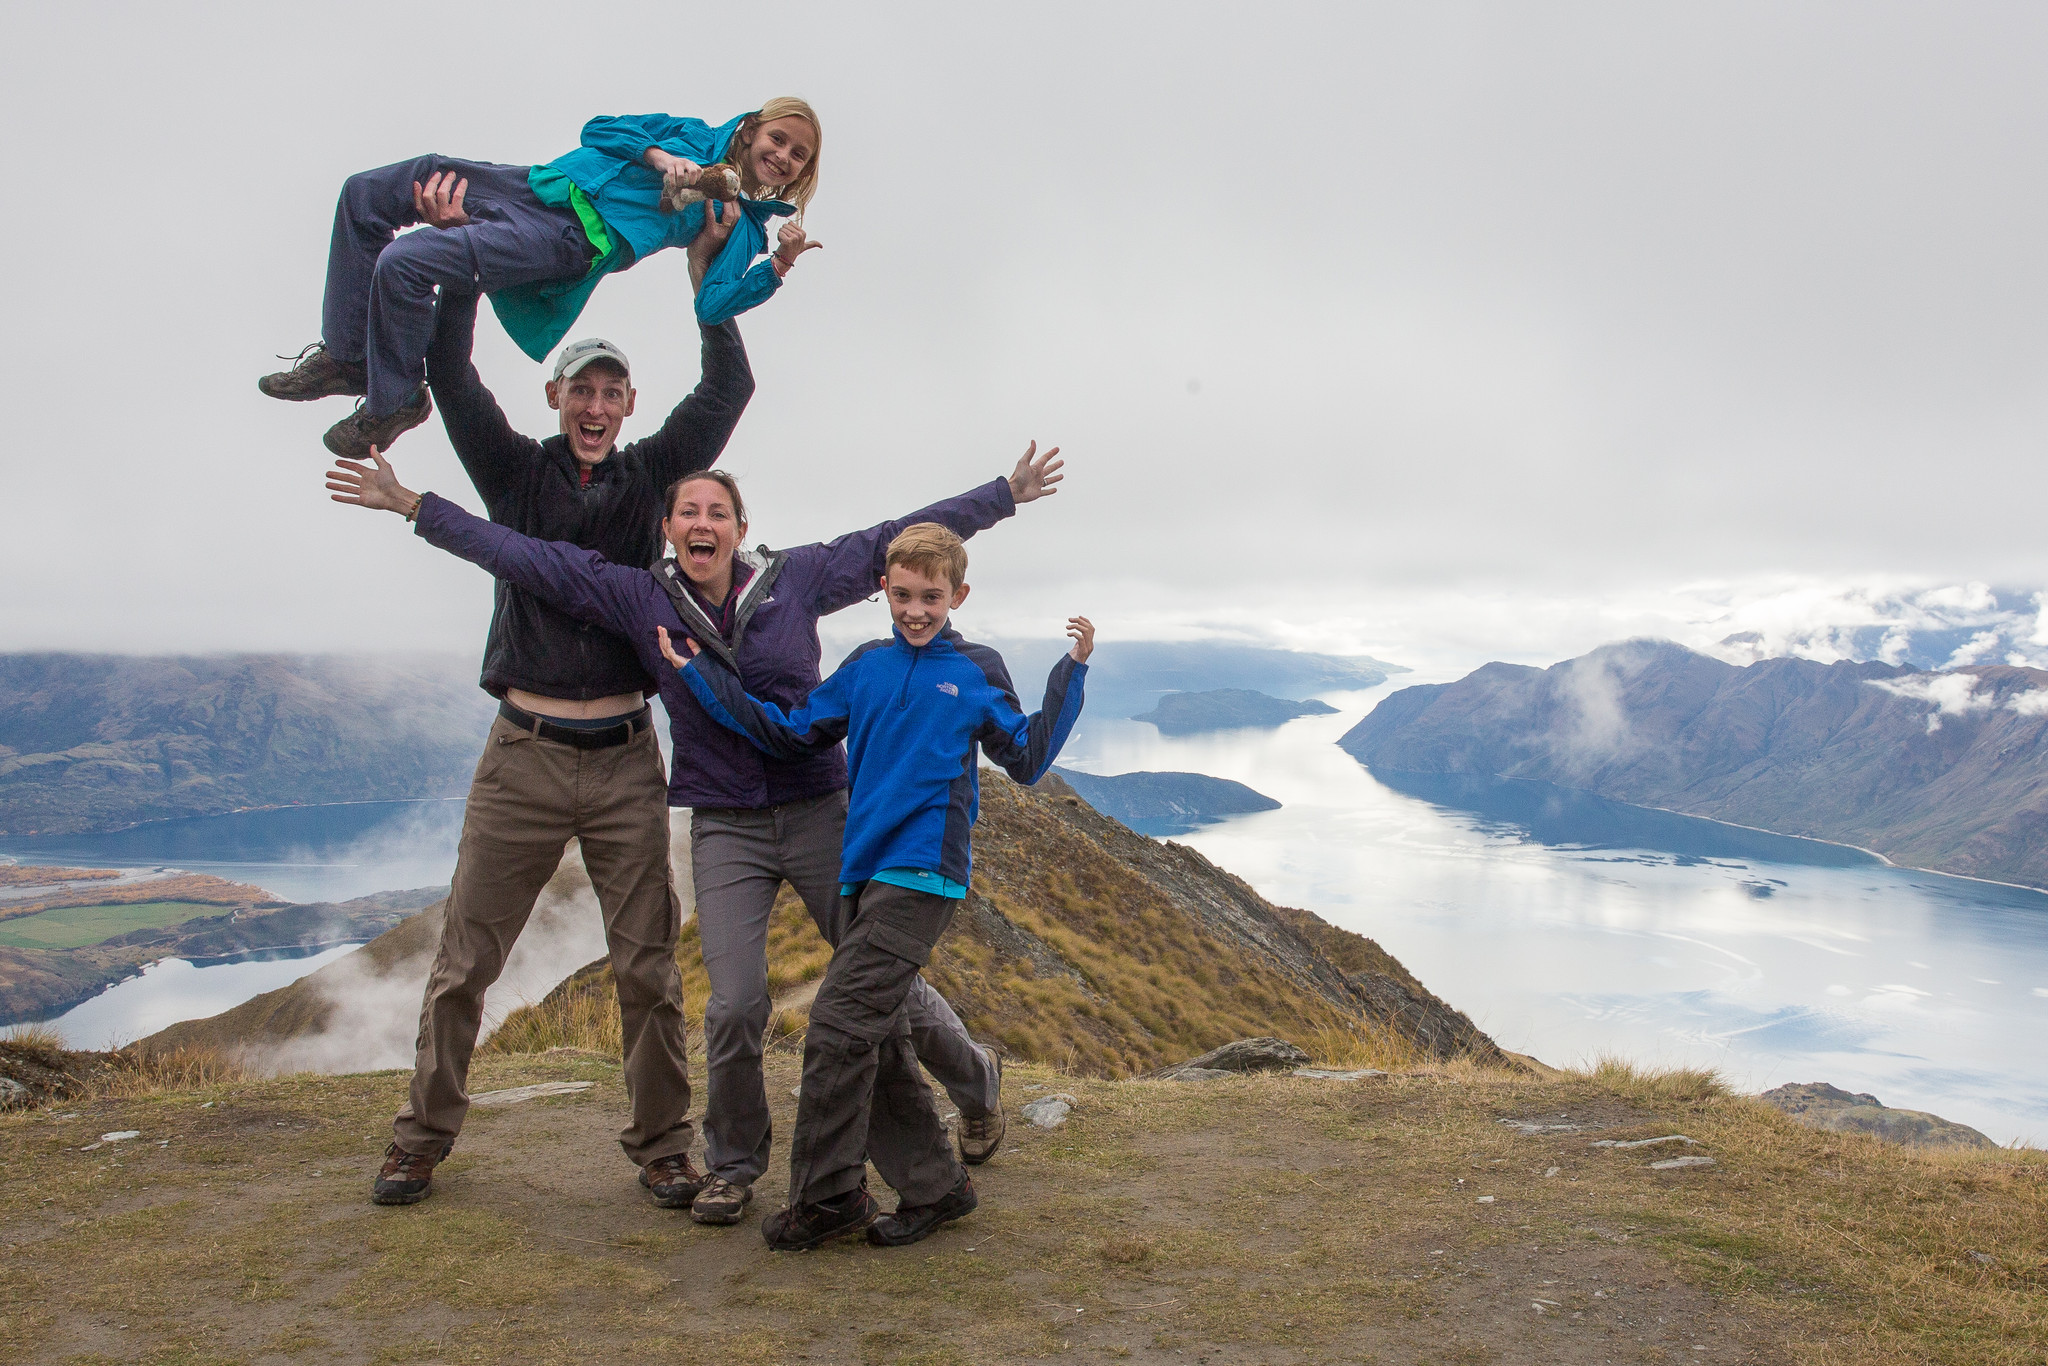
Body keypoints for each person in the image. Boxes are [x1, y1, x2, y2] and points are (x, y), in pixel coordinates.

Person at [326, 443, 1065, 1223]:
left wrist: (1002, 495)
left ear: (741, 528)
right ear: (668, 528)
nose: (702, 522)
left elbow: (896, 539)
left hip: (818, 811)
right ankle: (735, 1164)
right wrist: (414, 506)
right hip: (726, 826)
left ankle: (976, 1084)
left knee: (882, 985)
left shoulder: (797, 578)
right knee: (736, 1004)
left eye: (718, 511)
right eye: (688, 512)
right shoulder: (638, 597)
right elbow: (524, 557)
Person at [350, 249, 756, 1207]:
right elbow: (451, 376)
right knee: (464, 963)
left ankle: (664, 1147)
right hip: (523, 754)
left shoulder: (655, 477)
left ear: (627, 406)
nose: (597, 405)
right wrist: (462, 262)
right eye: (583, 387)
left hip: (624, 760)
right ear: (555, 394)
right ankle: (420, 1139)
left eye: (613, 391)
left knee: (648, 970)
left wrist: (712, 277)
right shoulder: (513, 473)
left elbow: (730, 381)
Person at [669, 523, 1091, 1250]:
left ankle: (828, 1197)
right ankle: (936, 1188)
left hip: (926, 874)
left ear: (958, 594)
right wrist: (701, 677)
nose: (916, 610)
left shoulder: (977, 670)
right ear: (884, 593)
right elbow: (789, 732)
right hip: (862, 869)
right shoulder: (864, 666)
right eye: (902, 595)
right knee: (879, 1034)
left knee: (834, 1026)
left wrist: (1070, 673)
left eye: (931, 596)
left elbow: (1023, 756)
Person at [260, 100, 823, 458]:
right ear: (751, 130)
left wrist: (776, 266)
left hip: (573, 241)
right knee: (366, 194)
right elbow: (600, 129)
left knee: (407, 262)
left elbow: (713, 305)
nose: (783, 156)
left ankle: (397, 397)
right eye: (778, 139)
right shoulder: (689, 131)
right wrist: (657, 156)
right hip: (537, 188)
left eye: (799, 156)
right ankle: (349, 357)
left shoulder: (738, 227)